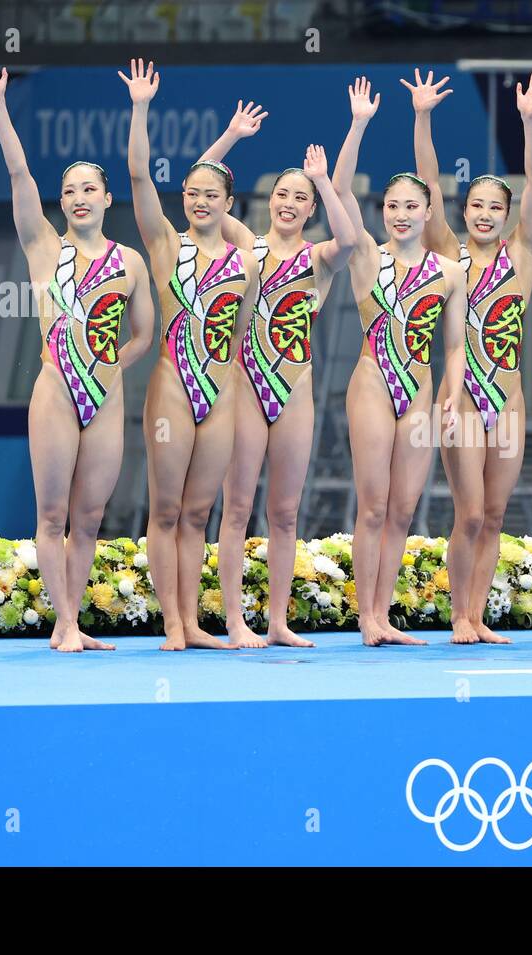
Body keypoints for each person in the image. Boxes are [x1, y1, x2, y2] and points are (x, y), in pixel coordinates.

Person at [0, 58, 154, 653]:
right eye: (69, 191)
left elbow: (144, 335)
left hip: (105, 399)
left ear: (107, 198)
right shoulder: (43, 246)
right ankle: (67, 623)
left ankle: (70, 621)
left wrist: (108, 369)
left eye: (88, 190)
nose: (78, 198)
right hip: (54, 390)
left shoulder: (129, 262)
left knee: (91, 520)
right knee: (52, 516)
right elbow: (21, 174)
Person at [401, 68, 532, 644]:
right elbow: (427, 186)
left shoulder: (523, 255)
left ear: (507, 214)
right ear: (464, 212)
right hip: (461, 397)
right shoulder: (447, 252)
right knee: (468, 512)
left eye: (496, 206)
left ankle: (477, 614)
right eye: (477, 205)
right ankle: (459, 615)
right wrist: (422, 116)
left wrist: (529, 121)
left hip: (508, 401)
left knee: (494, 515)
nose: (485, 214)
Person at [197, 103, 357, 648]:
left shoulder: (321, 259)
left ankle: (278, 621)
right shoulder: (247, 247)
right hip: (243, 388)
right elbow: (203, 184)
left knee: (285, 512)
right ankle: (236, 621)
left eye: (300, 198)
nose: (289, 204)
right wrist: (231, 136)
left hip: (294, 393)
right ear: (268, 203)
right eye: (282, 195)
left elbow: (353, 239)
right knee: (237, 507)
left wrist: (322, 180)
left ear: (312, 208)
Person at [122, 58, 259, 650]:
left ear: (230, 202)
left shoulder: (247, 259)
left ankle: (195, 621)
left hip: (223, 391)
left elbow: (243, 331)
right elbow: (135, 176)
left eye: (212, 195)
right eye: (192, 194)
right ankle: (173, 622)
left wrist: (227, 145)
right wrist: (141, 106)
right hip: (173, 387)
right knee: (167, 509)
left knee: (200, 513)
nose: (200, 201)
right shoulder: (162, 243)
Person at [331, 76, 467, 647]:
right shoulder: (365, 255)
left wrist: (453, 394)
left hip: (418, 389)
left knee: (404, 509)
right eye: (393, 206)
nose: (402, 215)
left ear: (428, 208)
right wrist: (358, 125)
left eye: (413, 206)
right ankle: (366, 617)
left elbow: (457, 345)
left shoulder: (449, 271)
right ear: (381, 211)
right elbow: (338, 196)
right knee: (373, 505)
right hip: (369, 383)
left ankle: (383, 615)